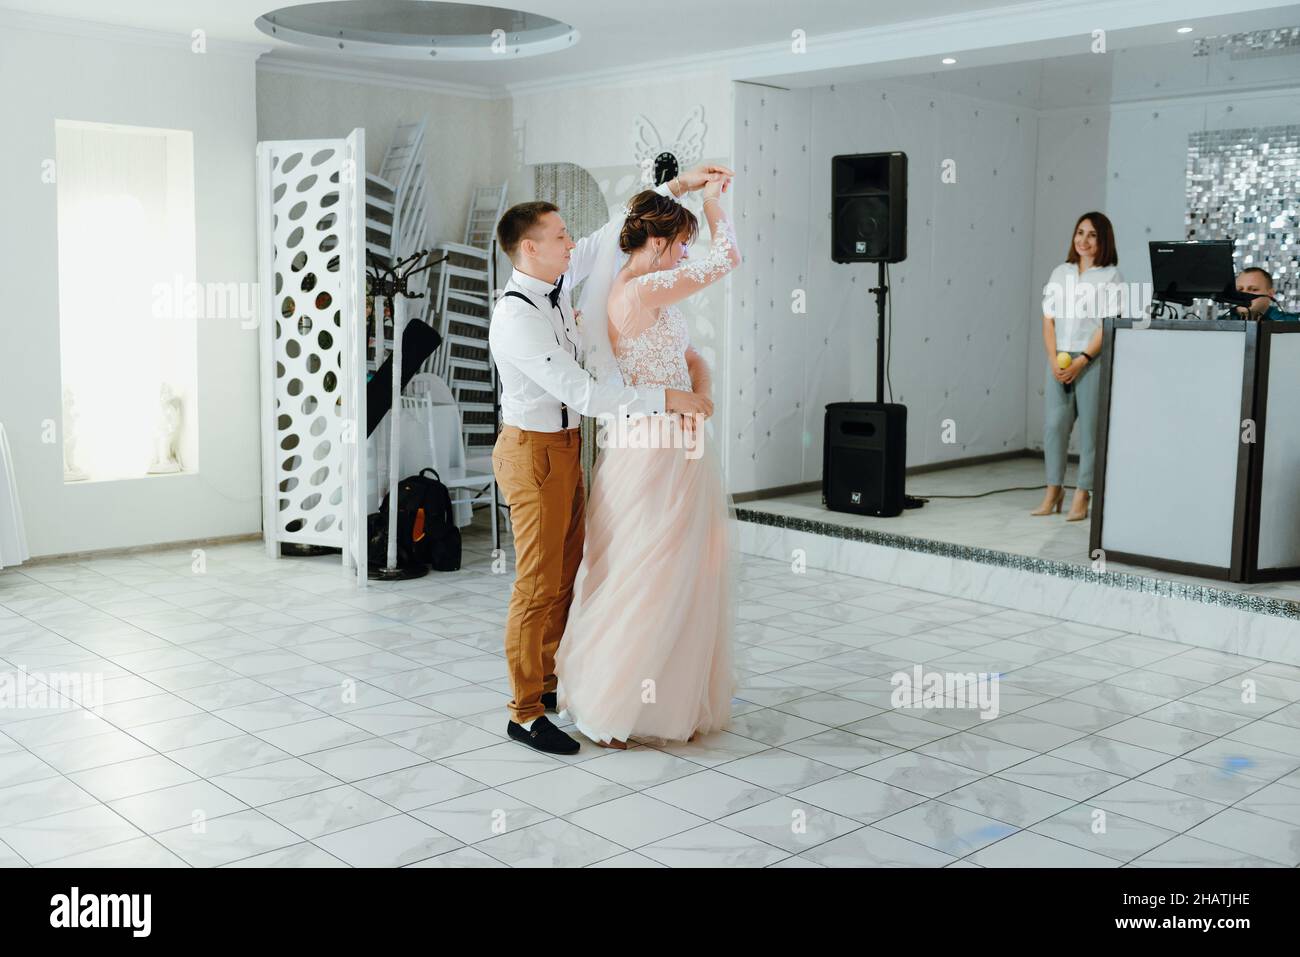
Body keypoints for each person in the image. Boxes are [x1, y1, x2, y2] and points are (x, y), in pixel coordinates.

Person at [487, 165, 729, 756]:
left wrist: (681, 185)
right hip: (533, 451)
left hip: (569, 447)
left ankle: (549, 684)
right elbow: (586, 394)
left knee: (569, 574)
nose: (574, 241)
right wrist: (668, 398)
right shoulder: (516, 316)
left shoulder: (568, 279)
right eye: (561, 235)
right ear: (530, 247)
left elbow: (617, 228)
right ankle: (523, 714)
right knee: (538, 585)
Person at [555, 174, 740, 749]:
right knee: (646, 569)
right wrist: (711, 202)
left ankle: (662, 700)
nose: (688, 252)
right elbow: (727, 257)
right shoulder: (636, 292)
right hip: (651, 448)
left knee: (682, 568)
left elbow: (686, 355)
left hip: (679, 440)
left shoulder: (650, 291)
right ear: (658, 244)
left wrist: (702, 393)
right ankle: (616, 700)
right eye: (683, 242)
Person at [1033, 212, 1124, 522]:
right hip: (1058, 358)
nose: (1083, 240)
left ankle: (1083, 494)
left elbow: (1106, 325)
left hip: (1091, 360)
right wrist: (1052, 358)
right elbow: (1049, 319)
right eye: (1080, 232)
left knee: (1090, 433)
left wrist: (1082, 360)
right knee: (1054, 427)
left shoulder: (1110, 276)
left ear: (1103, 241)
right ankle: (1053, 490)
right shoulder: (1061, 272)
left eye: (1092, 235)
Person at [1224, 267, 1299, 322]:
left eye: (1253, 289)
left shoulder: (1291, 323)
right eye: (1240, 290)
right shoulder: (1221, 321)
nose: (1243, 294)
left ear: (1270, 294)